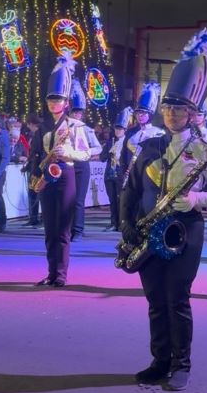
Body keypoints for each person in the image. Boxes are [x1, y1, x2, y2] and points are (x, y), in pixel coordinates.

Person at [121, 29, 207, 391]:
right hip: (149, 232)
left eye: (178, 108)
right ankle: (159, 360)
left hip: (185, 233)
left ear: (192, 113)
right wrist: (126, 225)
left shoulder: (203, 151)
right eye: (167, 108)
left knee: (176, 300)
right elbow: (131, 190)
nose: (171, 114)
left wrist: (197, 200)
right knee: (154, 301)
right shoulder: (148, 146)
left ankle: (182, 363)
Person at [30, 54, 90, 286]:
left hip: (66, 176)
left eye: (59, 100)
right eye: (51, 100)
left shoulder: (75, 127)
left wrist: (67, 154)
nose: (54, 104)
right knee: (49, 229)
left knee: (62, 229)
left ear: (66, 102)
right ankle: (51, 272)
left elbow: (85, 154)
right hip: (47, 176)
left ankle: (61, 275)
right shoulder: (43, 127)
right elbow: (35, 155)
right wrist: (36, 176)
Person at [68, 78, 101, 241]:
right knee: (67, 199)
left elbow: (98, 148)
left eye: (79, 112)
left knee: (79, 200)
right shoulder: (63, 128)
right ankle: (67, 228)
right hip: (67, 165)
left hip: (82, 166)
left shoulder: (87, 130)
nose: (77, 115)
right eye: (74, 112)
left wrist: (86, 151)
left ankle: (78, 230)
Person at [119, 82, 164, 185]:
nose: (140, 115)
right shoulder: (131, 133)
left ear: (150, 114)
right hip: (130, 177)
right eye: (138, 113)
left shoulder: (158, 133)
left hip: (149, 177)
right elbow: (123, 155)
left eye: (144, 113)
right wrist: (124, 171)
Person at [100, 107, 132, 231]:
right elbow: (102, 158)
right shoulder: (109, 142)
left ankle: (121, 223)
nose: (118, 131)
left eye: (120, 129)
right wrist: (109, 151)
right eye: (116, 128)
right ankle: (114, 223)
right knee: (112, 200)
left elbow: (129, 160)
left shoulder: (128, 143)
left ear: (124, 130)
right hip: (109, 175)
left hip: (121, 175)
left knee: (121, 200)